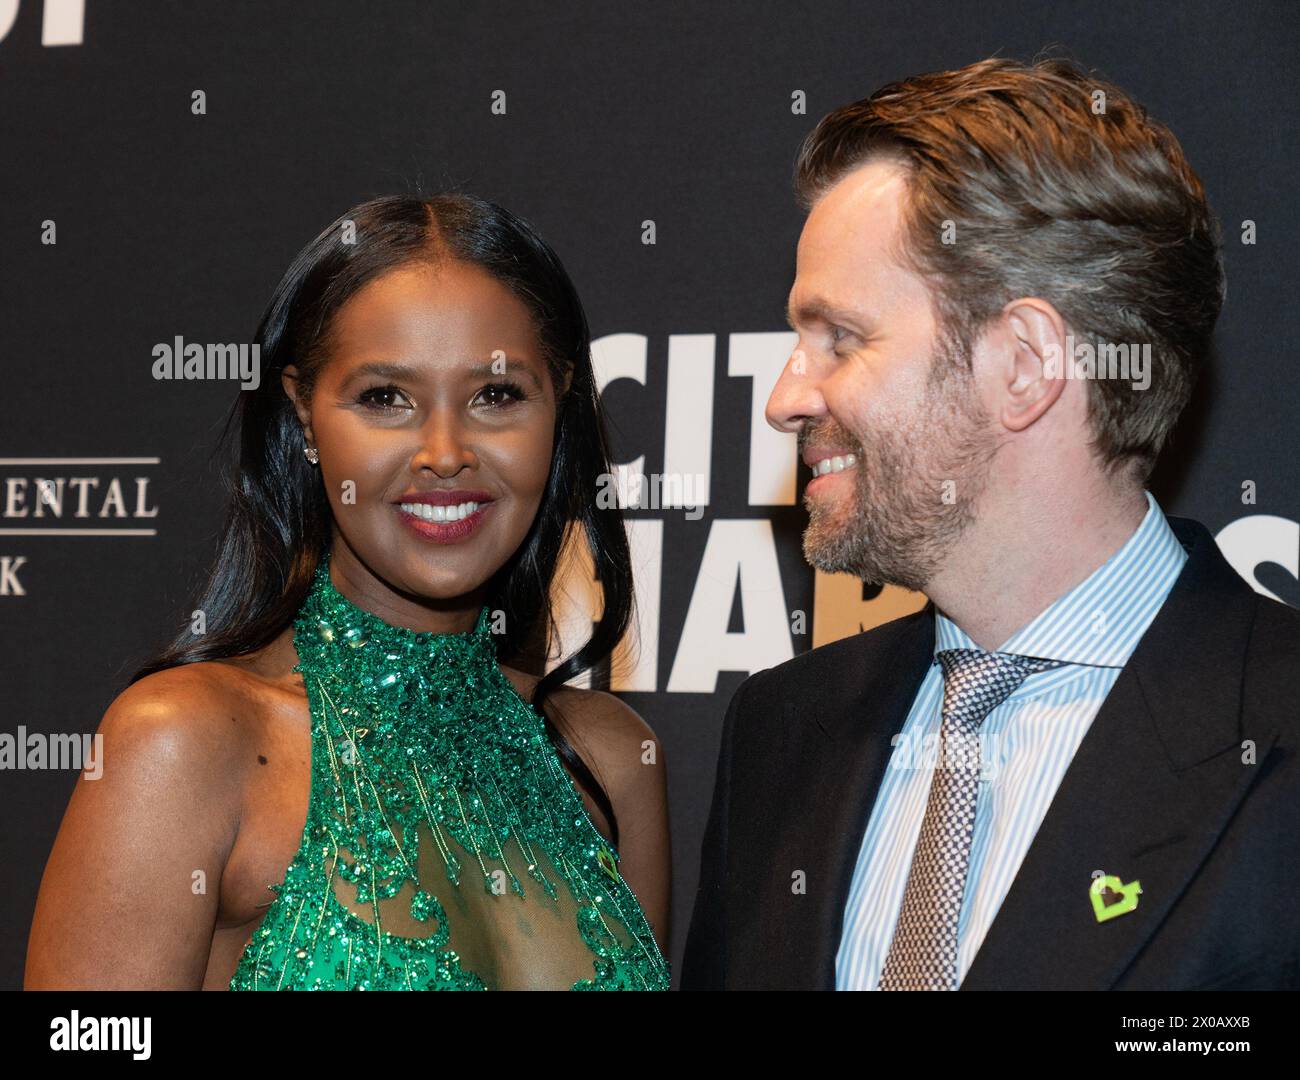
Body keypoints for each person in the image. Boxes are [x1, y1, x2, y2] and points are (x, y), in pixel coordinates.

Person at [681, 57, 1300, 990]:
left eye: (839, 339)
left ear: (1024, 364)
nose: (784, 398)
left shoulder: (1275, 738)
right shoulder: (783, 732)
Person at [25, 194, 671, 991]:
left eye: (497, 396)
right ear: (302, 415)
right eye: (384, 397)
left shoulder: (612, 762)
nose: (444, 453)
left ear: (559, 409)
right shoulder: (186, 744)